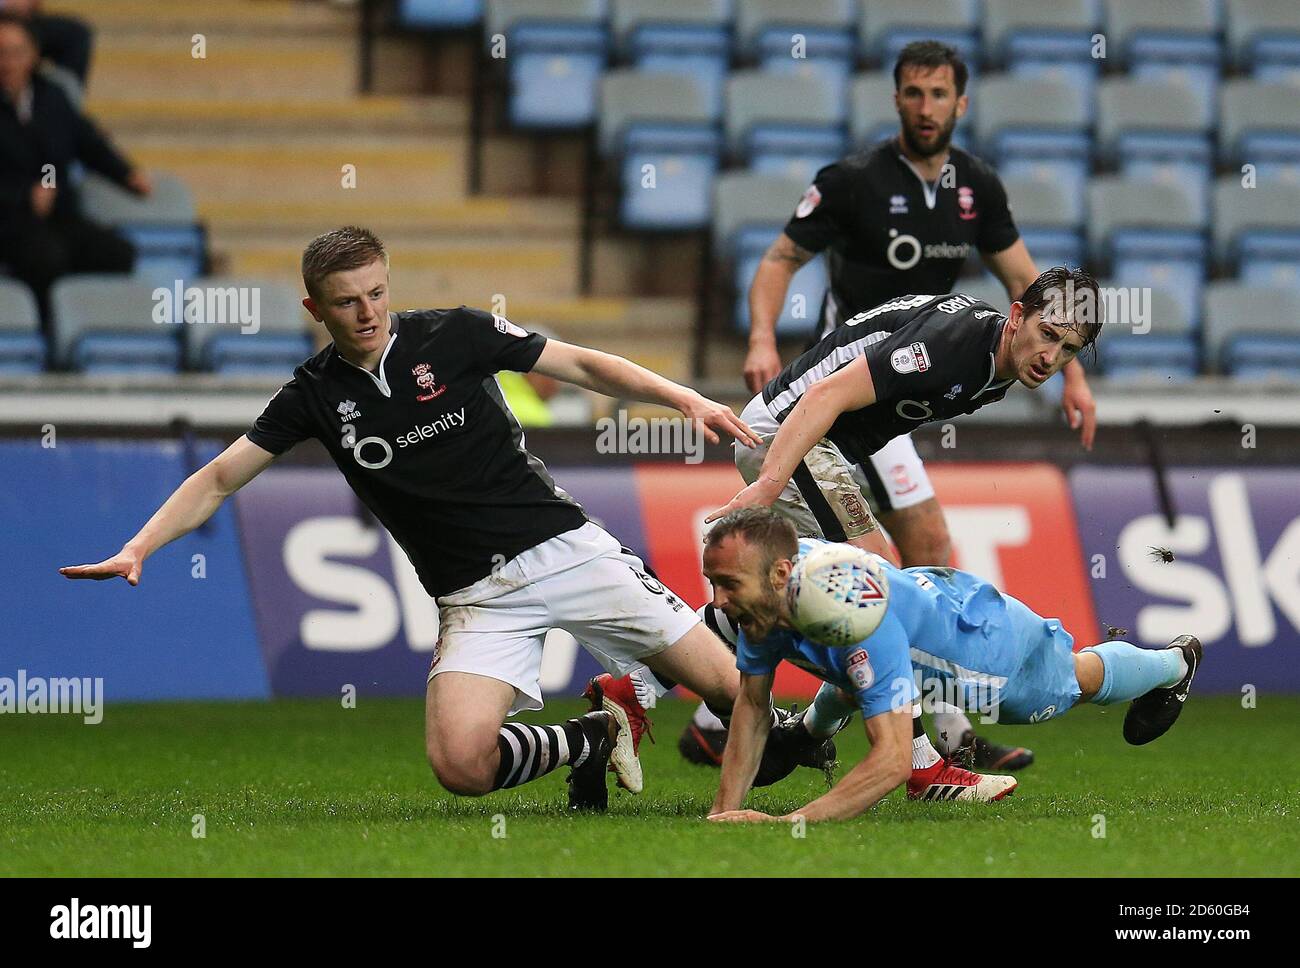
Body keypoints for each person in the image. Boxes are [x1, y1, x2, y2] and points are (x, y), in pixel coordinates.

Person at [59, 226, 835, 811]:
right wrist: (139, 547)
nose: (365, 313)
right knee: (461, 768)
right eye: (345, 301)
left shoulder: (454, 335)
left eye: (374, 293)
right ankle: (590, 735)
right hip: (475, 597)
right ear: (313, 307)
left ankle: (839, 731)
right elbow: (221, 475)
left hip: (567, 550)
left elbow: (583, 364)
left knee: (742, 702)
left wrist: (684, 398)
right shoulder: (314, 396)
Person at [715, 40, 1098, 768]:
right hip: (837, 395)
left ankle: (913, 727)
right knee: (875, 572)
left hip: (884, 403)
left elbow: (1032, 280)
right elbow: (780, 261)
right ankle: (913, 754)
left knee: (923, 554)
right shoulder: (854, 181)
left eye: (939, 95)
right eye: (913, 94)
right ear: (896, 99)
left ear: (961, 102)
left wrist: (1072, 375)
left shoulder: (977, 194)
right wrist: (763, 338)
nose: (926, 108)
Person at [701, 509, 1203, 823]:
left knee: (1077, 680)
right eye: (713, 583)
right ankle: (810, 734)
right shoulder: (769, 595)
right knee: (861, 674)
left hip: (987, 657)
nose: (718, 601)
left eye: (728, 584)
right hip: (927, 605)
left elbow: (893, 761)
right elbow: (751, 703)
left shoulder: (856, 619)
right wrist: (723, 812)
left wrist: (790, 821)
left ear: (781, 572)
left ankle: (1174, 664)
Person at [0, 12, 146, 330]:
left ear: (33, 55)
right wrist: (24, 196)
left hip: (59, 217)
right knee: (46, 258)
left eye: (15, 53)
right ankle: (47, 332)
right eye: (1, 54)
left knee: (118, 253)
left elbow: (86, 140)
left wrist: (125, 174)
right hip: (10, 221)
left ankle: (98, 329)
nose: (7, 62)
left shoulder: (52, 97)